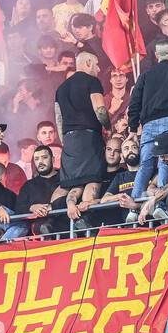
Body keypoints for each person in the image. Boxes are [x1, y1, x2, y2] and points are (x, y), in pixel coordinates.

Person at [127, 38, 168, 200]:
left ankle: (133, 208)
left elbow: (134, 102)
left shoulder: (145, 75)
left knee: (145, 165)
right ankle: (162, 206)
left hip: (148, 124)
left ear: (157, 55)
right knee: (165, 161)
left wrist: (133, 129)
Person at [54, 51, 108, 226]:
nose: (99, 69)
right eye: (97, 64)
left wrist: (65, 141)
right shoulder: (92, 82)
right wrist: (108, 127)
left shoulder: (61, 88)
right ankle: (85, 219)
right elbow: (100, 109)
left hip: (69, 141)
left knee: (74, 182)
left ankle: (63, 213)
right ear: (88, 63)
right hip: (89, 138)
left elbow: (59, 118)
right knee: (92, 179)